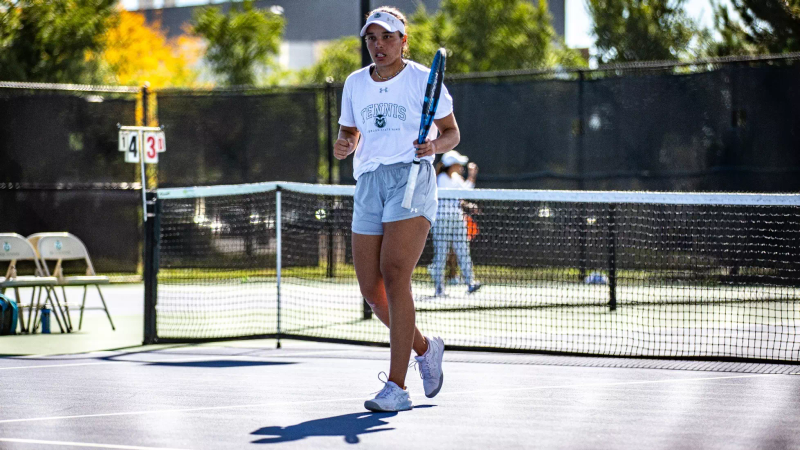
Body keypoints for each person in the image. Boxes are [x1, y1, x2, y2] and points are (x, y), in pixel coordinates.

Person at [334, 6, 460, 412]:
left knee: (394, 274)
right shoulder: (354, 84)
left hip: (411, 179)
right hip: (369, 182)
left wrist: (434, 147)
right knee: (372, 292)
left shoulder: (424, 80)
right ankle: (425, 349)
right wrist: (344, 145)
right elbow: (350, 131)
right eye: (372, 38)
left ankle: (397, 387)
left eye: (387, 37)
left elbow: (451, 133)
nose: (378, 45)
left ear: (403, 40)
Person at [430, 150, 481, 297]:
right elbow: (459, 195)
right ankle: (439, 288)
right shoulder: (442, 179)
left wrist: (472, 175)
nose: (461, 166)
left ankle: (470, 283)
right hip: (442, 221)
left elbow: (465, 192)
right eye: (458, 163)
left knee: (463, 252)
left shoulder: (456, 178)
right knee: (441, 254)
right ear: (452, 164)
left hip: (457, 220)